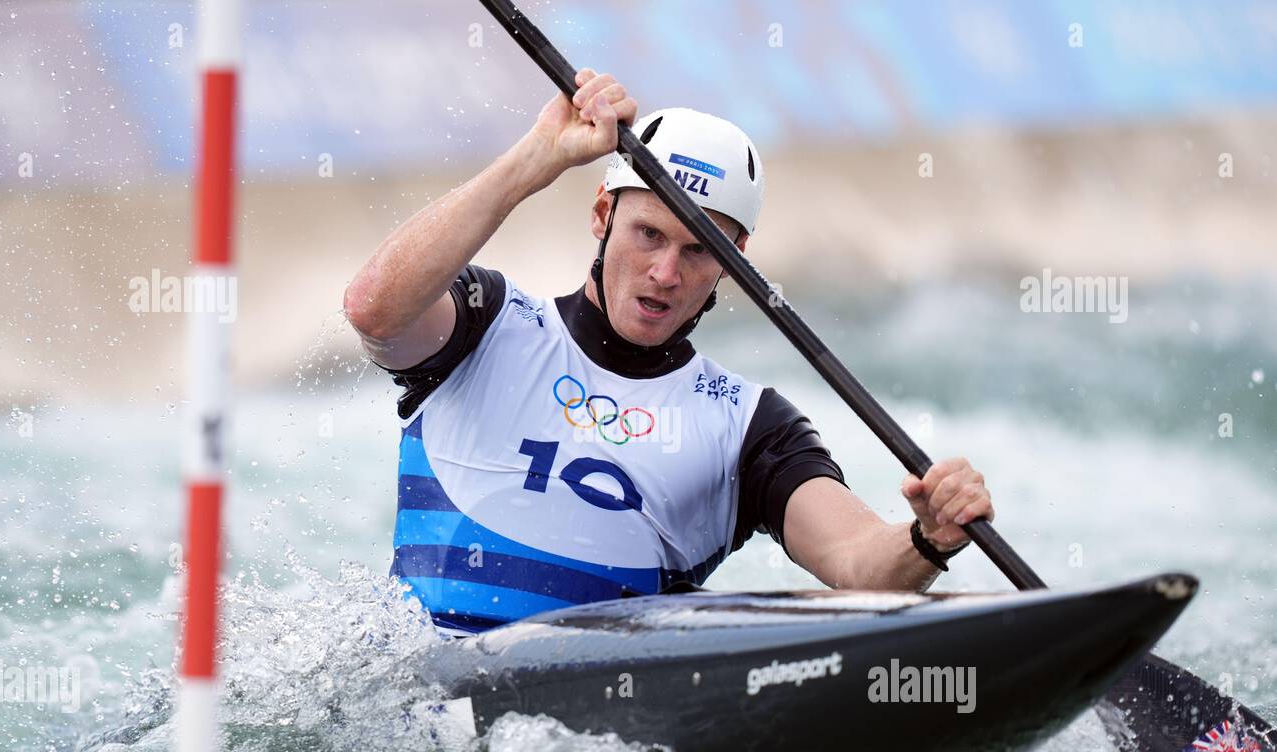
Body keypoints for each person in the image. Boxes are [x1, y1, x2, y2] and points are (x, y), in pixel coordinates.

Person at [343, 68, 995, 634]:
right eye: (648, 235)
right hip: (417, 698)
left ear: (734, 264)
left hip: (584, 725)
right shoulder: (485, 325)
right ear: (602, 215)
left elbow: (859, 568)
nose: (664, 273)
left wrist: (927, 541)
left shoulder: (748, 425)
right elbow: (373, 308)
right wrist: (536, 159)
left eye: (697, 250)